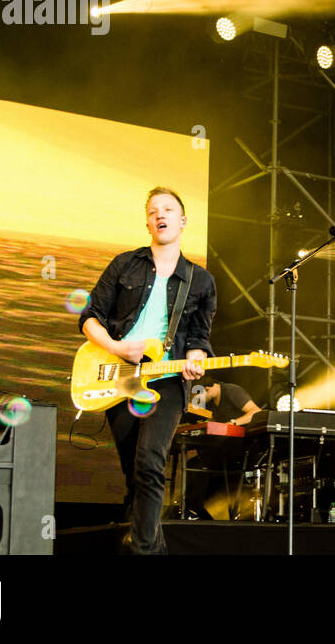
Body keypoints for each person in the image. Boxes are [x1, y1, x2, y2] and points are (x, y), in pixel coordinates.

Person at [79, 186, 217, 554]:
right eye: (154, 209)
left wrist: (197, 359)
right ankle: (155, 549)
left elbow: (199, 338)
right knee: (135, 475)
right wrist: (115, 347)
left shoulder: (200, 280)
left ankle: (141, 552)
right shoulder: (125, 264)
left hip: (167, 380)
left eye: (168, 209)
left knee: (150, 461)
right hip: (119, 373)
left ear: (182, 220)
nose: (161, 214)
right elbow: (89, 318)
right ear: (147, 221)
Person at [183, 381, 262, 520]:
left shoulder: (232, 391)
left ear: (207, 388)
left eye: (200, 395)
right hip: (225, 446)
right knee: (195, 463)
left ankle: (196, 511)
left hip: (243, 446)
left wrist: (233, 423)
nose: (200, 400)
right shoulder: (213, 402)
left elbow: (256, 412)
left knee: (200, 464)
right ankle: (197, 511)